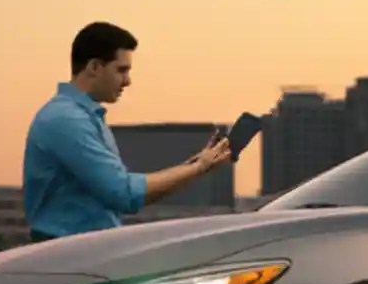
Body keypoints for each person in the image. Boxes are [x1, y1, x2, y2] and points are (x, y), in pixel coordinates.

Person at [22, 22, 231, 242]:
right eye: (121, 70)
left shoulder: (83, 117)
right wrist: (198, 168)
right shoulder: (66, 119)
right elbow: (124, 193)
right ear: (94, 67)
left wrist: (195, 164)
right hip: (66, 258)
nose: (128, 81)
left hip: (80, 252)